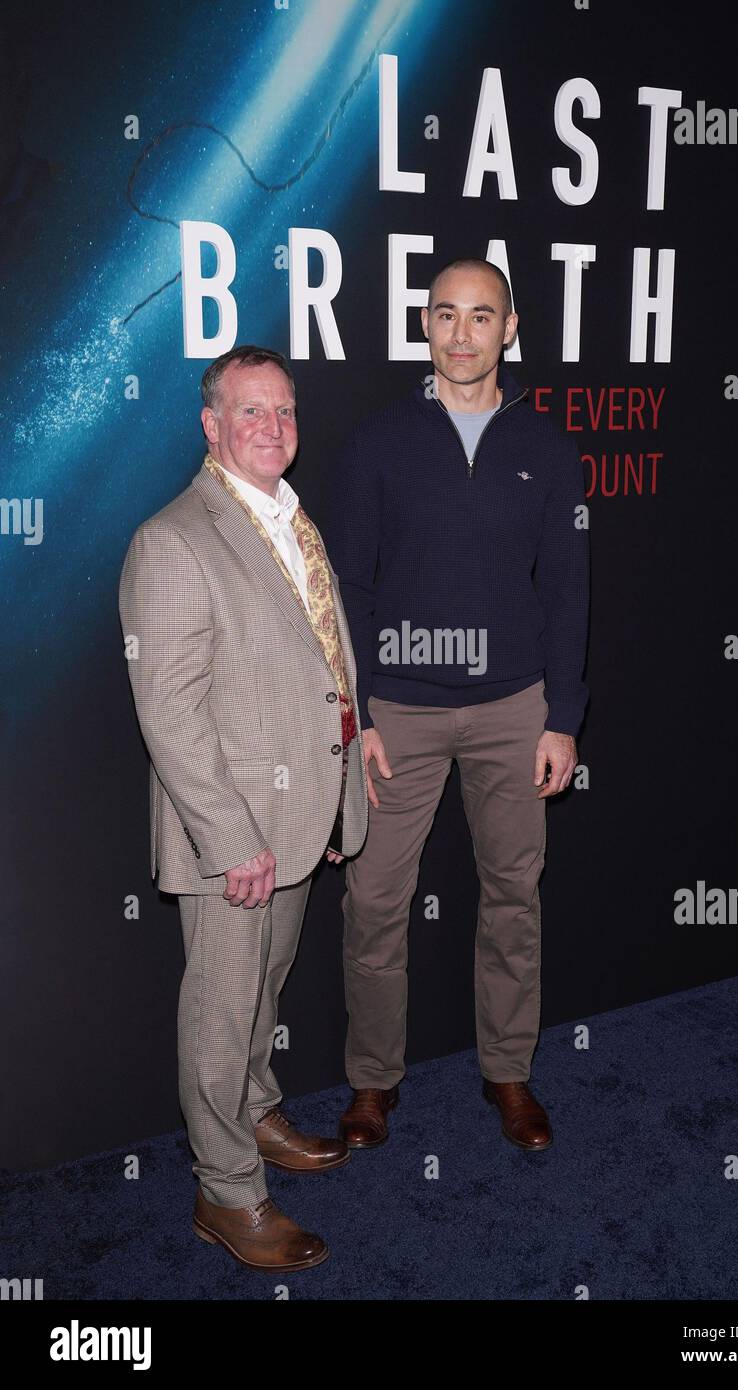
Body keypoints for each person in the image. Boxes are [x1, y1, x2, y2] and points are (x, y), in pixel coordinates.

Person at [323, 259, 590, 1153]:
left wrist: (564, 715)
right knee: (374, 902)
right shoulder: (375, 442)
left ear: (509, 329)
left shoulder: (550, 449)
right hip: (399, 709)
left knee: (515, 896)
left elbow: (567, 588)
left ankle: (509, 1072)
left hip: (515, 708)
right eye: (446, 314)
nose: (463, 333)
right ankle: (372, 1083)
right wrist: (357, 714)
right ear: (425, 326)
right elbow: (347, 586)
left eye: (483, 316)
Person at [118, 345, 367, 1272]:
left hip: (302, 817)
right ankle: (226, 1194)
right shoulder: (174, 538)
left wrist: (342, 789)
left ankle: (258, 1116)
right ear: (211, 425)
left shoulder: (292, 522)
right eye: (250, 412)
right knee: (220, 1012)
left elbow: (322, 667)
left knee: (265, 989)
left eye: (284, 411)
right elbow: (169, 715)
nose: (272, 428)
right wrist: (232, 842)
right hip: (233, 833)